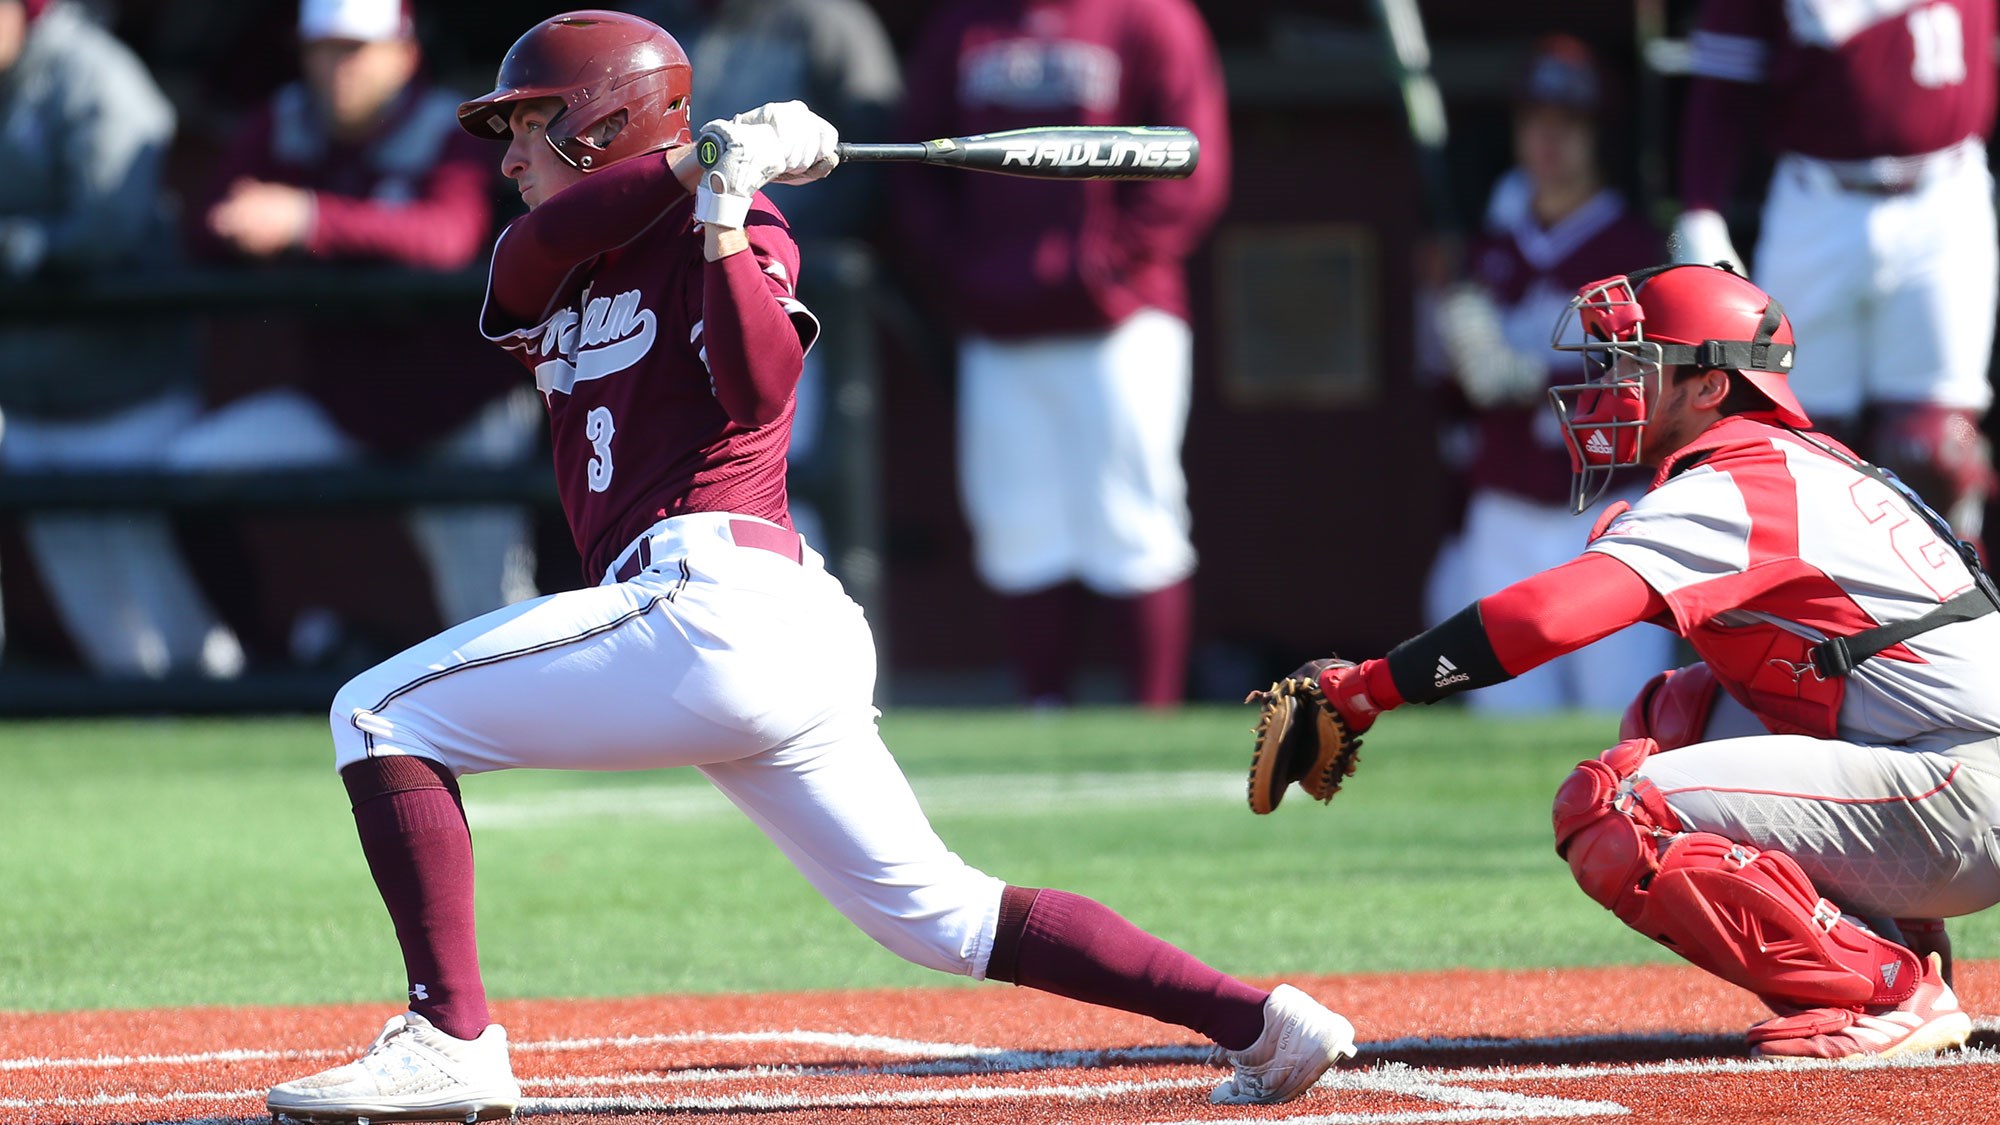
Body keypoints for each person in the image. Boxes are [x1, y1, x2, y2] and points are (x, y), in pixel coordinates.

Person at [263, 12, 1354, 1122]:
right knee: (943, 920)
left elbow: (759, 389)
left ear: (597, 125)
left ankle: (449, 1037)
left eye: (530, 127)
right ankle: (1264, 1024)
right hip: (732, 627)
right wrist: (702, 164)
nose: (505, 157)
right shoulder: (549, 255)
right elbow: (532, 253)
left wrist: (727, 219)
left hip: (715, 603)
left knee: (380, 713)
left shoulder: (746, 226)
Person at [1274, 262, 1999, 1060]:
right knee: (1672, 713)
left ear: (1711, 388)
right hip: (1952, 771)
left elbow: (1548, 616)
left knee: (1610, 808)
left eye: (1637, 361)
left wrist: (1368, 687)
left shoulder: (1740, 480)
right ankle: (1898, 942)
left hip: (1964, 788)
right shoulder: (1799, 459)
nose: (1609, 383)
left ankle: (1890, 990)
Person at [170, 0, 539, 662]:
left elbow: (446, 238)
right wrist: (265, 228)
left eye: (356, 50)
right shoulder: (285, 123)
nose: (336, 69)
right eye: (322, 50)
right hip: (344, 405)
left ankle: (543, 730)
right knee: (189, 474)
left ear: (404, 53)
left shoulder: (447, 128)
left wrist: (310, 222)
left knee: (486, 615)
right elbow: (205, 224)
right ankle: (267, 656)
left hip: (460, 412)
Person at [894, 0, 1231, 708]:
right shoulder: (963, 23)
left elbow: (1194, 168)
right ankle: (1044, 710)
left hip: (1123, 322)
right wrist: (965, 270)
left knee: (1134, 520)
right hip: (999, 324)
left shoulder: (1150, 17)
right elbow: (916, 166)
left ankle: (1153, 716)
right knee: (1019, 523)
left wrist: (1103, 265)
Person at [1670, 0, 1998, 542]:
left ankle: (1961, 616)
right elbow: (1723, 88)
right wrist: (1700, 210)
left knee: (1941, 449)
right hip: (1816, 200)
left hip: (1947, 192)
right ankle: (1817, 623)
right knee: (1796, 451)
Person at [1421, 35, 1674, 714]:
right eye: (1536, 121)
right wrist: (1449, 339)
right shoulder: (1487, 252)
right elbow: (1445, 392)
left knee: (1623, 715)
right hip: (1503, 508)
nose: (1549, 141)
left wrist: (1533, 375)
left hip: (1606, 513)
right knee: (1505, 716)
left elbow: (1654, 391)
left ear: (1599, 134)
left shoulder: (1638, 249)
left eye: (1570, 124)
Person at [0, 0, 243, 679]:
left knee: (179, 615)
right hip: (28, 394)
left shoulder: (91, 74)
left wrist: (20, 248)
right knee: (101, 621)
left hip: (127, 385)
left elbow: (111, 222)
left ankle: (225, 737)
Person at [686, 0, 903, 555]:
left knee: (790, 490)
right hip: (676, 295)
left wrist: (787, 257)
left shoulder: (829, 22)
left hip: (794, 298)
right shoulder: (655, 23)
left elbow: (872, 159)